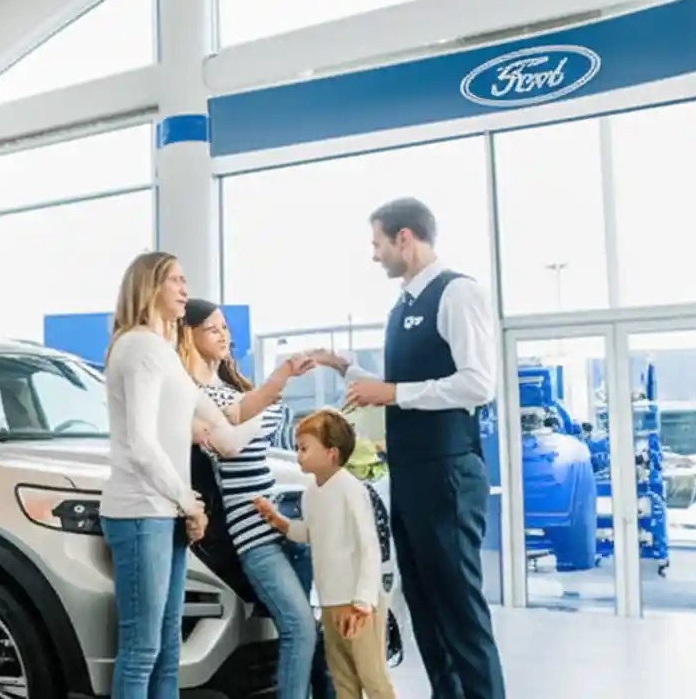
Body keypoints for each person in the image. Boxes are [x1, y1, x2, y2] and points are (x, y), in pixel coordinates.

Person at [311, 197, 505, 699]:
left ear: (404, 238)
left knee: (459, 611)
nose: (374, 255)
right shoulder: (403, 306)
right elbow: (396, 388)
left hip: (448, 474)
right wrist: (344, 367)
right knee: (424, 606)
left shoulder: (457, 293)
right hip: (413, 476)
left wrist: (394, 393)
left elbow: (478, 384)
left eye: (377, 243)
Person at [101, 251, 265, 699]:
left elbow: (226, 423)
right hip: (141, 513)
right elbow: (139, 443)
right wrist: (187, 499)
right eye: (175, 280)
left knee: (166, 650)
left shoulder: (165, 355)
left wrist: (274, 392)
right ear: (150, 286)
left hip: (165, 512)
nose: (184, 289)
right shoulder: (139, 348)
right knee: (142, 650)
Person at [177, 298, 328, 699]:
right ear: (188, 335)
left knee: (309, 628)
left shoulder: (229, 391)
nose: (224, 334)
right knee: (298, 625)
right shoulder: (192, 392)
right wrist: (263, 411)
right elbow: (227, 443)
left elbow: (245, 421)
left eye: (225, 327)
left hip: (279, 517)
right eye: (212, 328)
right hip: (250, 530)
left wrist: (270, 391)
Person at [253, 409, 397, 699]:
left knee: (372, 677)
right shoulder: (312, 493)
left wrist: (363, 602)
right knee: (342, 678)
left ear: (331, 453)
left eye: (304, 448)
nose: (298, 455)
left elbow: (369, 546)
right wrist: (278, 521)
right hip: (331, 601)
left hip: (359, 604)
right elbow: (309, 533)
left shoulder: (351, 489)